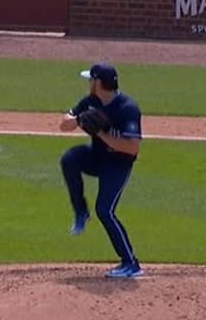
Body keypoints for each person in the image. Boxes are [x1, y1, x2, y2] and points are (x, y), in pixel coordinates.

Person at [58, 62, 143, 279]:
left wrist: (100, 133)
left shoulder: (127, 108)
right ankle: (80, 211)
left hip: (118, 164)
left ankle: (130, 262)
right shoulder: (90, 102)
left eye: (90, 79)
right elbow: (63, 124)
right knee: (69, 159)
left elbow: (132, 148)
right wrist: (78, 120)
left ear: (98, 82)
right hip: (97, 157)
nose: (88, 83)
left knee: (105, 210)